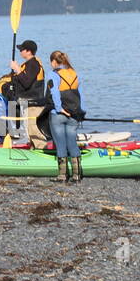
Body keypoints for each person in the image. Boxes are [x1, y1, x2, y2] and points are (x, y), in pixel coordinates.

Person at [47, 50, 86, 183]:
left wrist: (60, 109)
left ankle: (62, 176)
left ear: (54, 62)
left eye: (50, 62)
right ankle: (77, 176)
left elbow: (54, 93)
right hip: (74, 113)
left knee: (61, 144)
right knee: (72, 143)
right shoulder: (75, 74)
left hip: (58, 114)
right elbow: (80, 94)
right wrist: (82, 111)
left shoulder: (53, 74)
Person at [7, 39, 52, 147]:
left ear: (28, 51)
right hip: (28, 103)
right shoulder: (28, 64)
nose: (20, 52)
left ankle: (42, 150)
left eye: (22, 49)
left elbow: (26, 82)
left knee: (34, 130)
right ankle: (34, 148)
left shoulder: (34, 64)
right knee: (29, 131)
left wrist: (17, 69)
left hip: (34, 104)